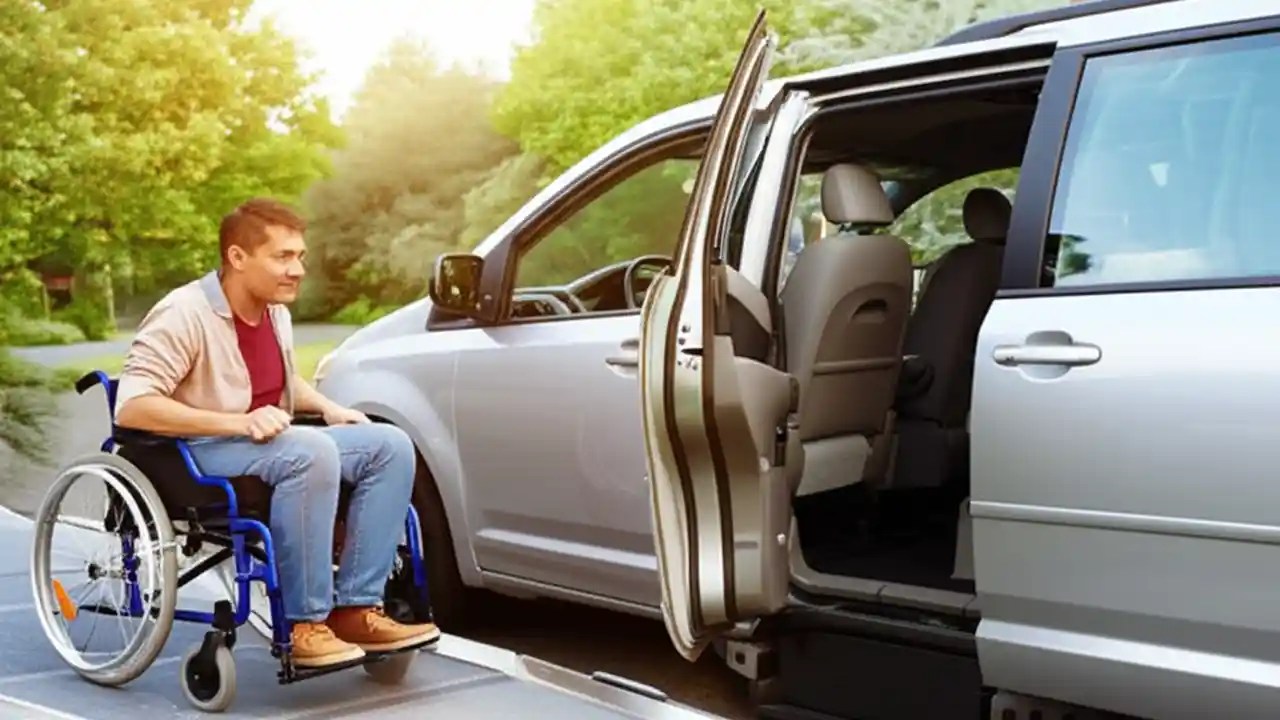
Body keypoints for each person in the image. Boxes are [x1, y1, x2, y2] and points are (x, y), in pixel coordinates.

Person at [113, 198, 438, 668]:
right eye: (283, 257)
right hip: (195, 451)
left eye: (300, 256)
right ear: (237, 258)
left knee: (390, 445)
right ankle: (305, 624)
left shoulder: (273, 312)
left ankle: (355, 609)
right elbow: (134, 405)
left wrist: (328, 407)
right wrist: (237, 422)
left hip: (267, 442)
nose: (298, 269)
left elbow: (281, 381)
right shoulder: (184, 312)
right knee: (308, 453)